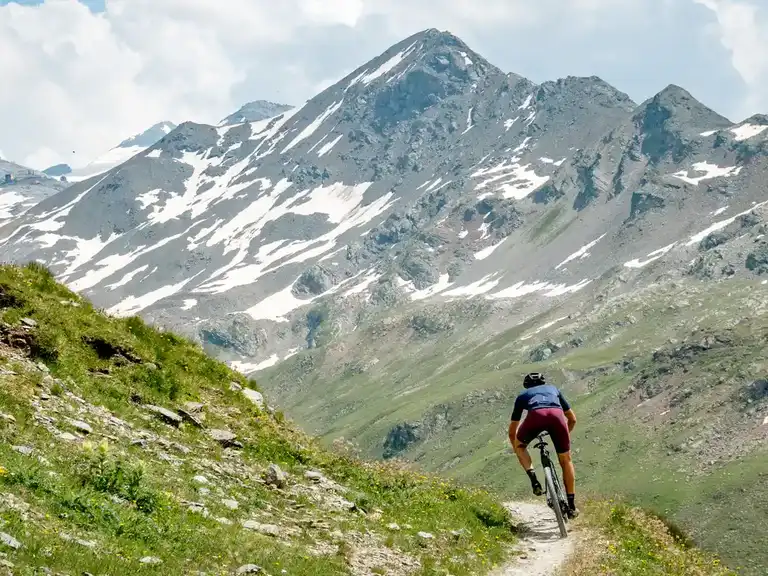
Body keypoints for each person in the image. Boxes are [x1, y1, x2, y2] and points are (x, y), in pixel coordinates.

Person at [508, 372, 579, 518]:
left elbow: (513, 429)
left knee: (520, 446)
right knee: (566, 460)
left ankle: (534, 479)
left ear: (526, 386)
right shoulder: (554, 389)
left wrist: (517, 447)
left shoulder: (523, 395)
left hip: (535, 416)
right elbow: (572, 419)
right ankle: (571, 505)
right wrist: (563, 438)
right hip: (557, 417)